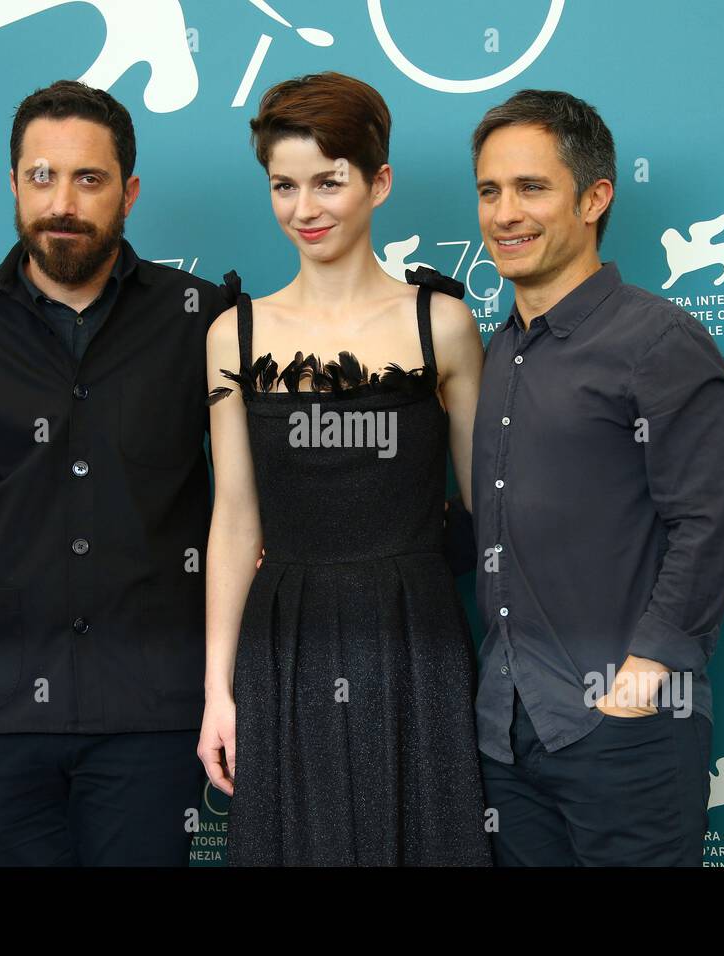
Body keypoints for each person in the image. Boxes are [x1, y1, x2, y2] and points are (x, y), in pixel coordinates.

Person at [0, 80, 229, 865]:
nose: (62, 201)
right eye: (42, 176)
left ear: (128, 192)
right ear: (13, 185)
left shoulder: (203, 319)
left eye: (88, 179)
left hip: (154, 706)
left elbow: (247, 507)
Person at [198, 71, 492, 866]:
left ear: (378, 182)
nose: (305, 209)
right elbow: (234, 521)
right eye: (283, 185)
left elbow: (488, 512)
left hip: (416, 633)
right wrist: (216, 692)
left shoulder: (445, 326)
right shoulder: (235, 334)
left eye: (328, 182)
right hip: (283, 638)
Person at [468, 90, 724, 866]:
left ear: (595, 198)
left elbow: (707, 523)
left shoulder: (658, 342)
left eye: (531, 188)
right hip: (507, 732)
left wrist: (643, 678)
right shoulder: (495, 354)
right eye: (490, 191)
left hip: (625, 731)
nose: (504, 213)